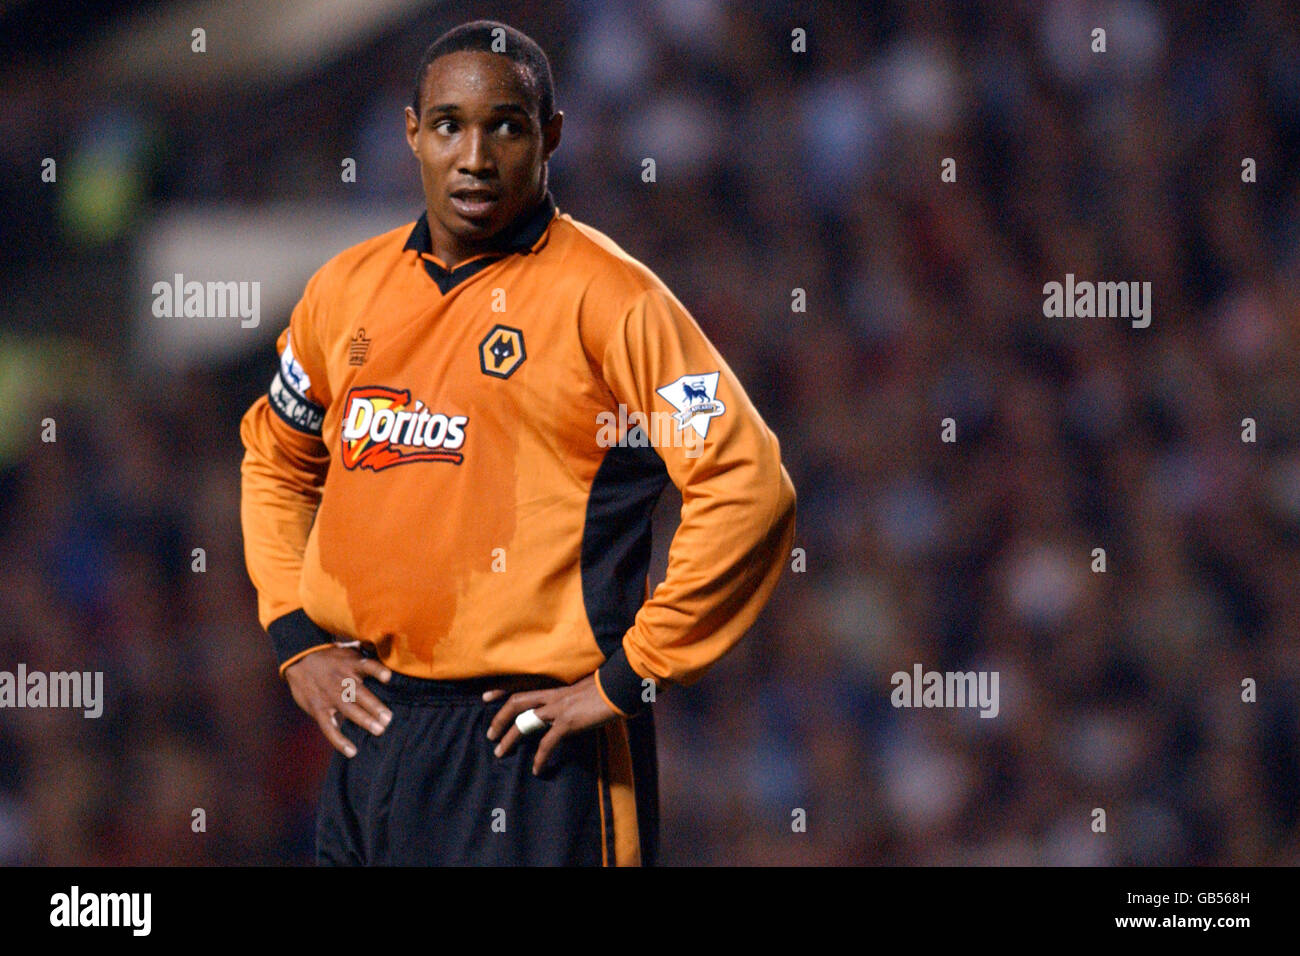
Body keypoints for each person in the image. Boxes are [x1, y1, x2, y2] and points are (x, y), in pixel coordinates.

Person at [239, 19, 796, 866]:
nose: (475, 156)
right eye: (450, 125)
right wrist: (296, 636)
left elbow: (748, 488)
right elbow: (276, 460)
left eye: (506, 125)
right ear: (412, 134)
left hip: (534, 745)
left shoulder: (612, 301)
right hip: (376, 735)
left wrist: (631, 672)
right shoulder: (343, 293)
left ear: (552, 136)